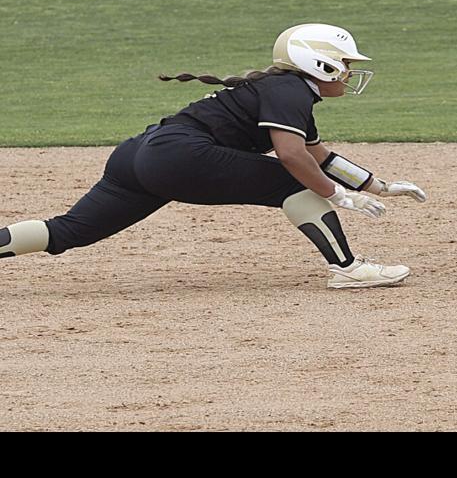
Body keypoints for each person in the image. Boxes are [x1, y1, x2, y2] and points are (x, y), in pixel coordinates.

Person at [2, 24, 426, 288]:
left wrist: (379, 186)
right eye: (345, 63)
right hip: (180, 156)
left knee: (69, 231)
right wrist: (335, 195)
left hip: (138, 155)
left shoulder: (285, 91)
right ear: (320, 65)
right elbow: (294, 158)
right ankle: (348, 268)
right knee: (294, 181)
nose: (350, 72)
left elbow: (320, 154)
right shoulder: (290, 90)